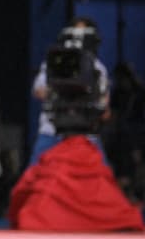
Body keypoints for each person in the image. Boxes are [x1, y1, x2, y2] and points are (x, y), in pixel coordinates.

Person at [29, 16, 110, 168]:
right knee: (35, 173)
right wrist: (60, 90)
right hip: (52, 131)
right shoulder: (54, 62)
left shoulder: (98, 69)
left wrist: (87, 97)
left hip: (86, 132)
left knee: (102, 173)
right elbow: (38, 90)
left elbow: (104, 108)